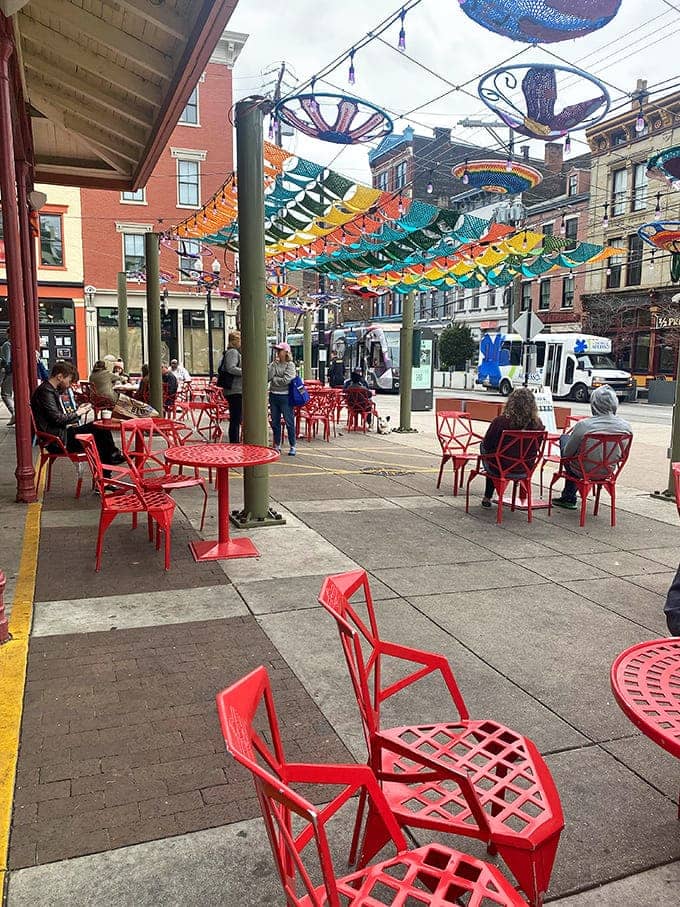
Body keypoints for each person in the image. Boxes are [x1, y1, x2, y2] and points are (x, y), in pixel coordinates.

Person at [553, 385, 632, 510]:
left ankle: (569, 496)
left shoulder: (584, 425)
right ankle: (569, 495)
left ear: (593, 404)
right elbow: (623, 455)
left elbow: (567, 454)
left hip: (582, 470)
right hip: (608, 470)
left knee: (565, 439)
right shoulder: (626, 427)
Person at [31, 360, 124, 464]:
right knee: (99, 436)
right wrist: (79, 412)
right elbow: (58, 419)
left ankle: (112, 460)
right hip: (57, 441)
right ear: (60, 377)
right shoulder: (46, 392)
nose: (69, 385)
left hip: (60, 436)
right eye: (69, 381)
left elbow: (57, 417)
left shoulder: (48, 390)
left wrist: (78, 410)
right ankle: (111, 463)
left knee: (99, 428)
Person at [480, 387, 545, 508]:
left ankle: (487, 496)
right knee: (498, 454)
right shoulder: (538, 424)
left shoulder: (501, 421)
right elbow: (536, 448)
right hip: (525, 468)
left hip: (500, 468)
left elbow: (488, 444)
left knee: (489, 451)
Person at [268, 341, 297, 455]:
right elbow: (268, 377)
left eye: (280, 350)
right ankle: (277, 444)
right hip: (274, 395)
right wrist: (273, 368)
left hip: (285, 397)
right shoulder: (273, 364)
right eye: (277, 350)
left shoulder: (290, 365)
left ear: (286, 352)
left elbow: (287, 380)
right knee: (275, 422)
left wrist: (275, 379)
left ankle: (292, 445)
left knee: (289, 422)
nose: (277, 353)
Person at [217, 331, 242, 444]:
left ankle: (235, 441)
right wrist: (246, 370)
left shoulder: (231, 352)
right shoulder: (233, 352)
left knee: (236, 418)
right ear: (235, 341)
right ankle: (234, 442)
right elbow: (230, 368)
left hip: (233, 390)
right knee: (235, 419)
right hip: (235, 390)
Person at [1, 326, 14, 425]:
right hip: (17, 372)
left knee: (5, 394)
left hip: (9, 372)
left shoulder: (7, 344)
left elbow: (6, 360)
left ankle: (14, 413)